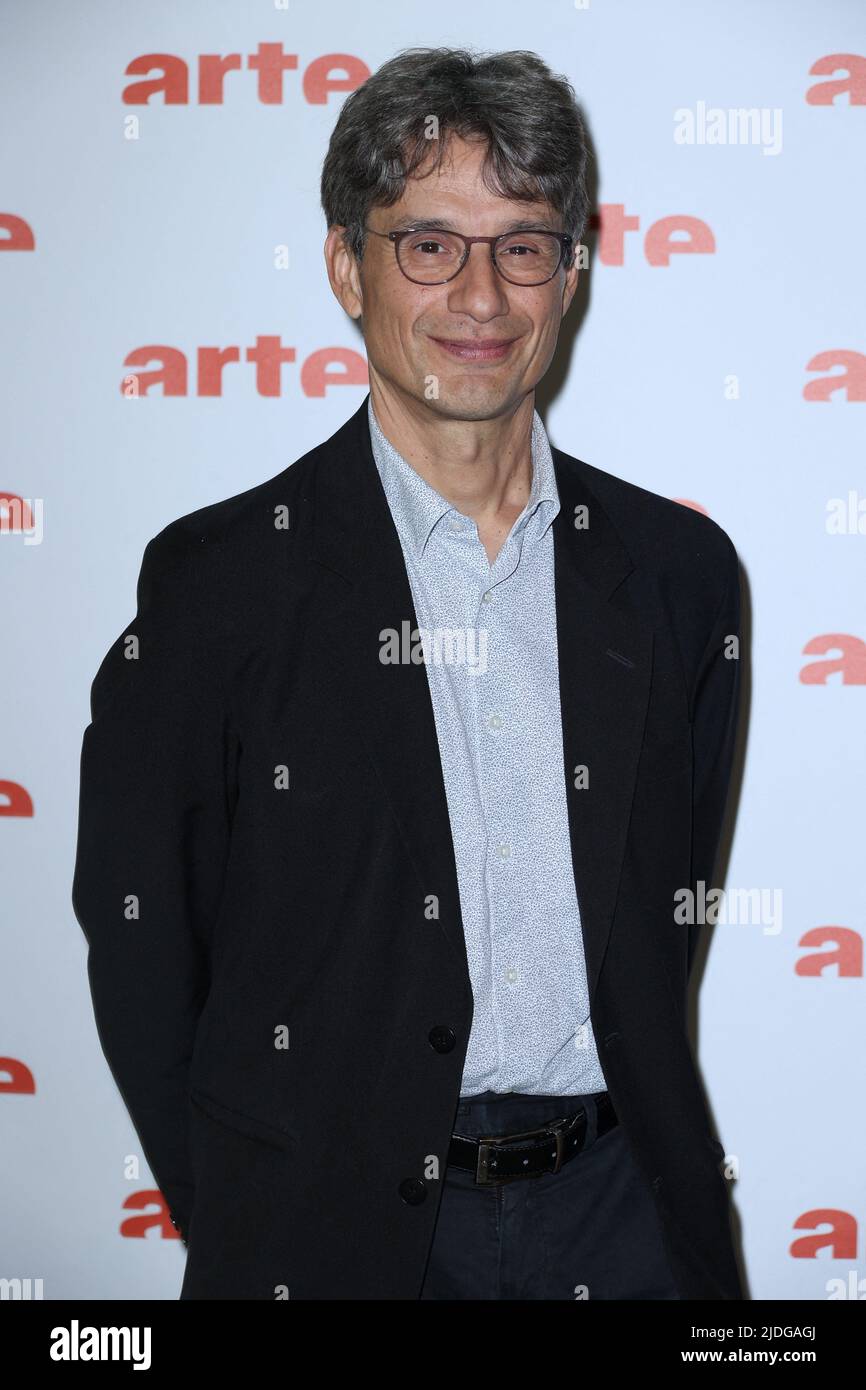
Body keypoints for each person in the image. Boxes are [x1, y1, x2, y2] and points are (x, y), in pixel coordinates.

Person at [72, 46, 744, 1300]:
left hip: (624, 1219)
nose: (479, 296)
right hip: (328, 1239)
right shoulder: (219, 585)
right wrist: (256, 1206)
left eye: (523, 244)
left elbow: (667, 902)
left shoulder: (677, 575)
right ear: (346, 267)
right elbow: (147, 944)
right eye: (428, 244)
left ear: (570, 273)